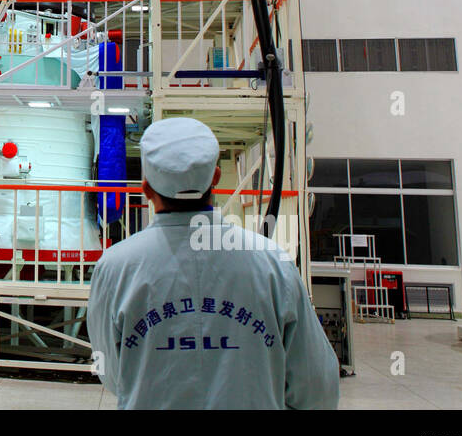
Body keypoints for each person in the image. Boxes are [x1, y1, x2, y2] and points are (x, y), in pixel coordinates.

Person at [87, 117, 340, 409]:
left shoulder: (115, 267)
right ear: (216, 178)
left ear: (146, 188)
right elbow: (318, 386)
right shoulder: (273, 263)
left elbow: (114, 375)